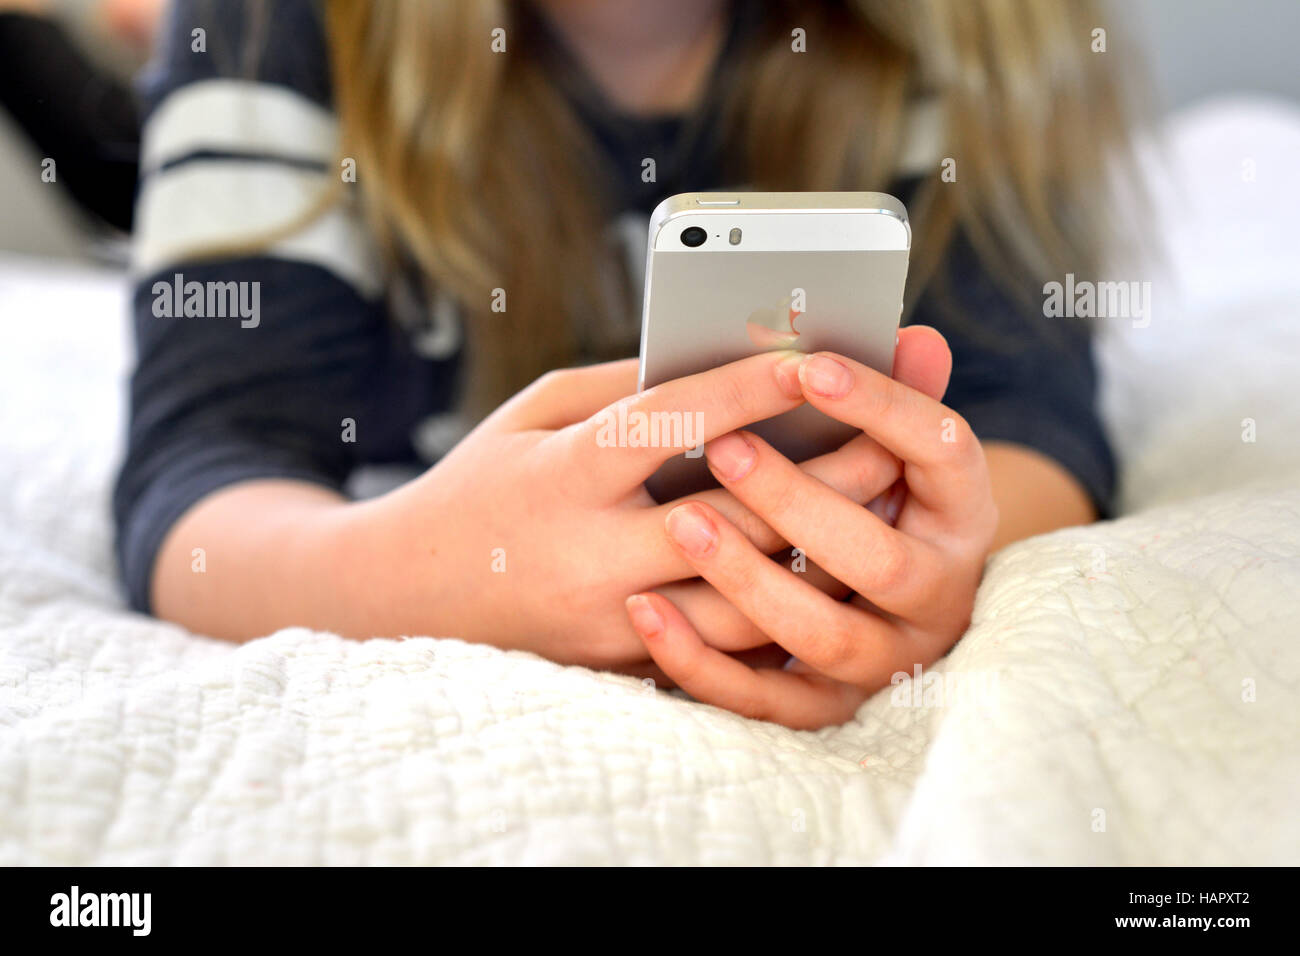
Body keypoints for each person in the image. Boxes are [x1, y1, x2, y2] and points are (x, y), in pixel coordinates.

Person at [115, 0, 1135, 729]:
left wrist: (912, 574)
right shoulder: (268, 25)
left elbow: (1031, 427)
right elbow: (202, 474)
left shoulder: (981, 35)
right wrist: (438, 573)